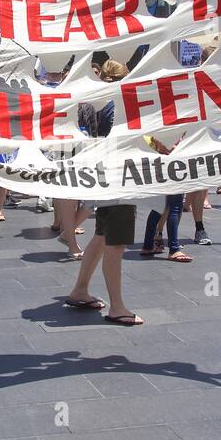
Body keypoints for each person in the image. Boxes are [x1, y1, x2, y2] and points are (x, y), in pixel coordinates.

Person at [65, 60, 145, 324]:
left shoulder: (95, 101)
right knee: (116, 245)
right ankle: (117, 306)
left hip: (102, 178)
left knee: (101, 237)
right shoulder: (120, 105)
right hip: (118, 180)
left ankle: (80, 289)